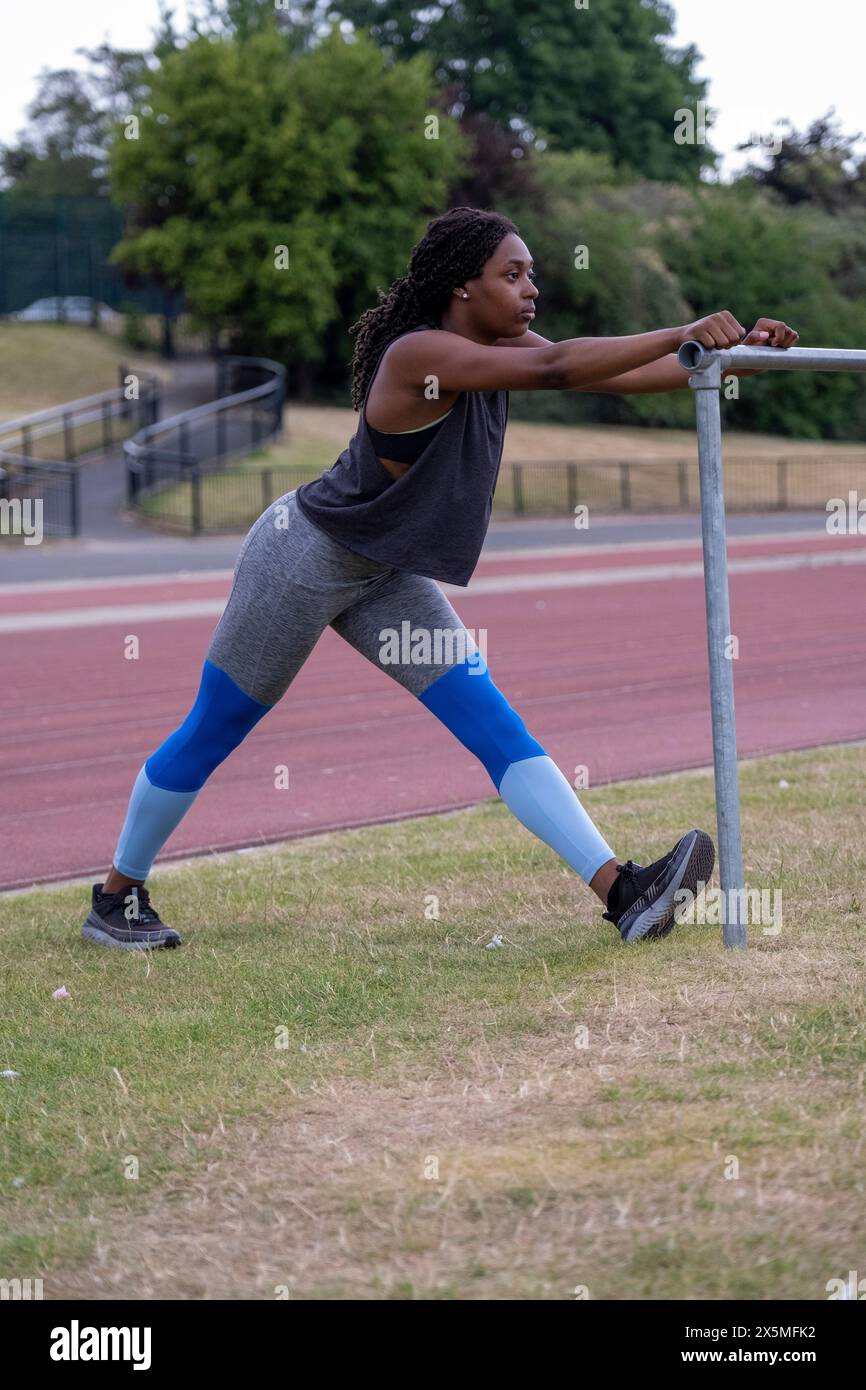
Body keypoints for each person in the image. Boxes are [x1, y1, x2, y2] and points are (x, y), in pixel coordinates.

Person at [80, 206, 798, 951]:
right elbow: (562, 366)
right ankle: (115, 896)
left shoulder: (499, 345)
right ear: (463, 287)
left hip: (385, 572)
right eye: (511, 275)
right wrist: (685, 330)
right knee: (217, 726)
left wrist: (734, 356)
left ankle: (623, 892)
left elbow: (616, 378)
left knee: (493, 726)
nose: (531, 291)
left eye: (533, 275)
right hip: (304, 557)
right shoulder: (424, 354)